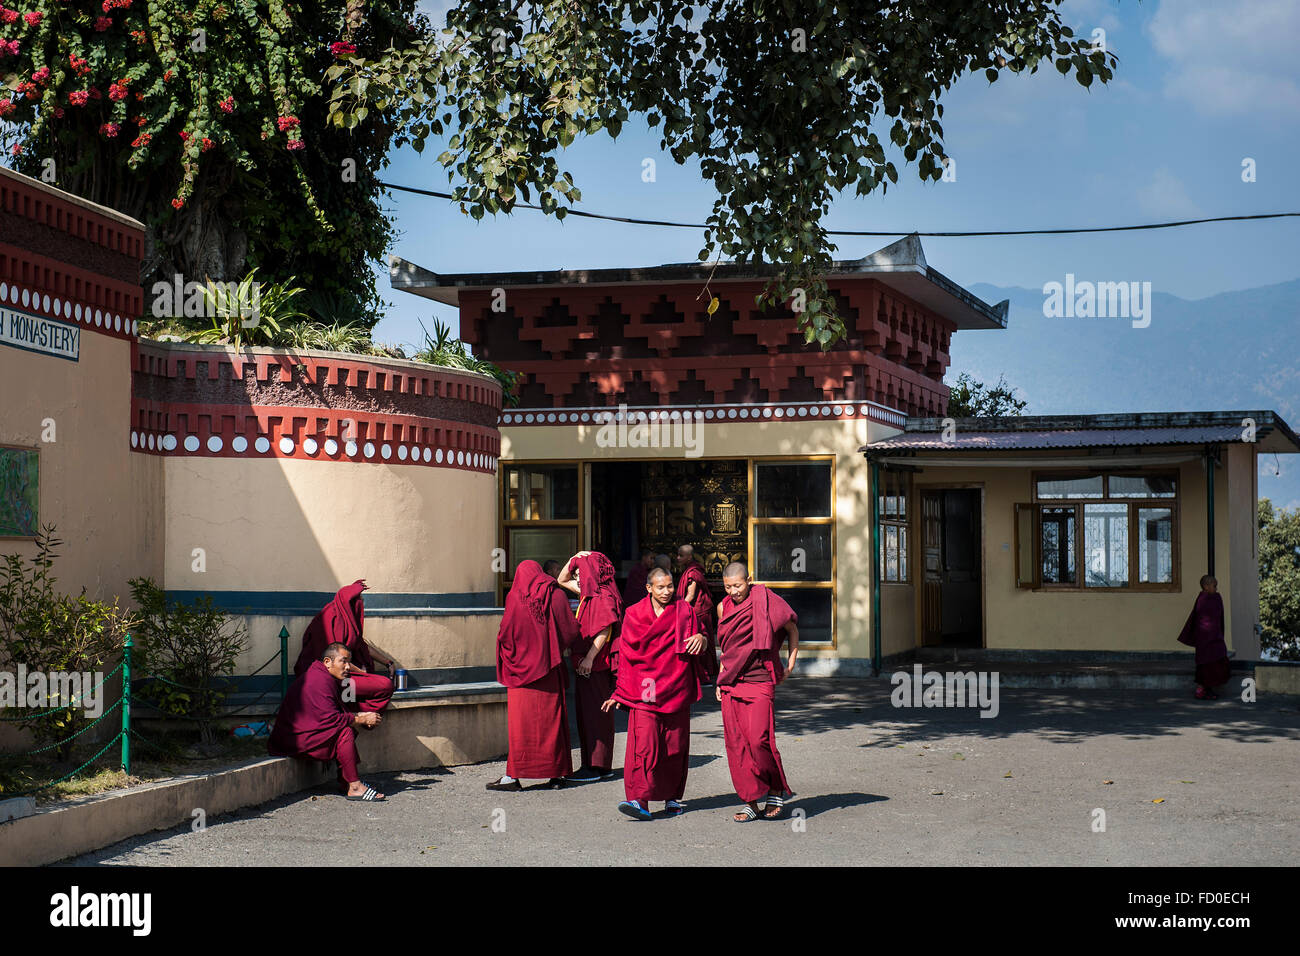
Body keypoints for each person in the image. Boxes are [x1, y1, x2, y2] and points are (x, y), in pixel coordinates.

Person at [601, 567, 707, 820]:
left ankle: (671, 797)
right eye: (661, 587)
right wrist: (620, 691)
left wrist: (701, 639)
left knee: (674, 746)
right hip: (643, 691)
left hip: (675, 688)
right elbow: (626, 656)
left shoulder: (685, 611)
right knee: (645, 745)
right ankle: (640, 800)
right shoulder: (634, 614)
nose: (667, 591)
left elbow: (701, 640)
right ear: (649, 588)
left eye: (670, 586)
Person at [716, 562, 799, 821]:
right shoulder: (723, 607)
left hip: (760, 679)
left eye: (738, 585)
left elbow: (792, 629)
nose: (733, 592)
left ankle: (775, 788)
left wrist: (791, 662)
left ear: (749, 580)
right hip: (731, 681)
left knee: (759, 740)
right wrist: (721, 678)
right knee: (737, 744)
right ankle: (750, 800)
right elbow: (727, 647)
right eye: (728, 587)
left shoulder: (766, 600)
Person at [489, 559, 582, 790]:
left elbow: (505, 634)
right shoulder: (555, 594)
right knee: (552, 723)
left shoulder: (514, 596)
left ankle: (514, 777)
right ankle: (556, 775)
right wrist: (555, 647)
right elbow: (570, 630)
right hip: (549, 670)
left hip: (520, 675)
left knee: (522, 727)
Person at [270, 642, 386, 801]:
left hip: (300, 735)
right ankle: (355, 786)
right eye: (343, 661)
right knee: (344, 732)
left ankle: (347, 782)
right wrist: (361, 718)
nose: (347, 667)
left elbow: (331, 714)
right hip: (293, 740)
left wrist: (359, 716)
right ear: (327, 662)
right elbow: (331, 719)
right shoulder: (318, 680)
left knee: (347, 728)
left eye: (348, 662)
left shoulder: (323, 676)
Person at [556, 550, 623, 782]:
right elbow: (560, 579)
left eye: (579, 572)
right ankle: (598, 765)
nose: (575, 575)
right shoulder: (590, 592)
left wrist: (590, 658)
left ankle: (595, 767)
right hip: (590, 664)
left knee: (596, 714)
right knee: (589, 714)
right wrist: (574, 558)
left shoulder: (602, 596)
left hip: (596, 665)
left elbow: (605, 628)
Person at [293, 580, 395, 714]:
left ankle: (352, 711)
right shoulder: (330, 618)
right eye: (359, 602)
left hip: (342, 674)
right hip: (327, 678)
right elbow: (336, 659)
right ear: (350, 603)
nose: (361, 606)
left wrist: (388, 662)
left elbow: (360, 644)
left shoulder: (346, 617)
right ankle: (357, 713)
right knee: (385, 685)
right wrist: (362, 673)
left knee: (379, 684)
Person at [1178, 574, 1230, 700]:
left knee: (1219, 658)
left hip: (1215, 637)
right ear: (1206, 586)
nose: (1216, 588)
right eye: (1214, 586)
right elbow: (1201, 619)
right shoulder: (1202, 599)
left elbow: (1219, 617)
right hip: (1205, 638)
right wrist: (1207, 633)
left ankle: (1206, 689)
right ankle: (1204, 690)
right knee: (1206, 665)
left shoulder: (1216, 598)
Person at [674, 544, 719, 683]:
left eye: (681, 555)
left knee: (701, 640)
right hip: (695, 610)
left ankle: (706, 671)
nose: (678, 558)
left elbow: (691, 595)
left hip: (699, 612)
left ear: (689, 556)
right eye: (678, 554)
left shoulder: (693, 572)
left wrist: (678, 608)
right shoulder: (689, 570)